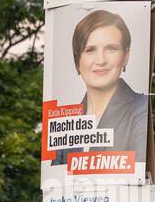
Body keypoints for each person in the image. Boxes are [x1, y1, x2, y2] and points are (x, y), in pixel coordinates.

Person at [52, 9, 149, 169]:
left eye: (111, 48)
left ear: (125, 56)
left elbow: (137, 171)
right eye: (90, 50)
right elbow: (56, 179)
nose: (101, 60)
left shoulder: (142, 109)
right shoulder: (66, 122)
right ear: (78, 61)